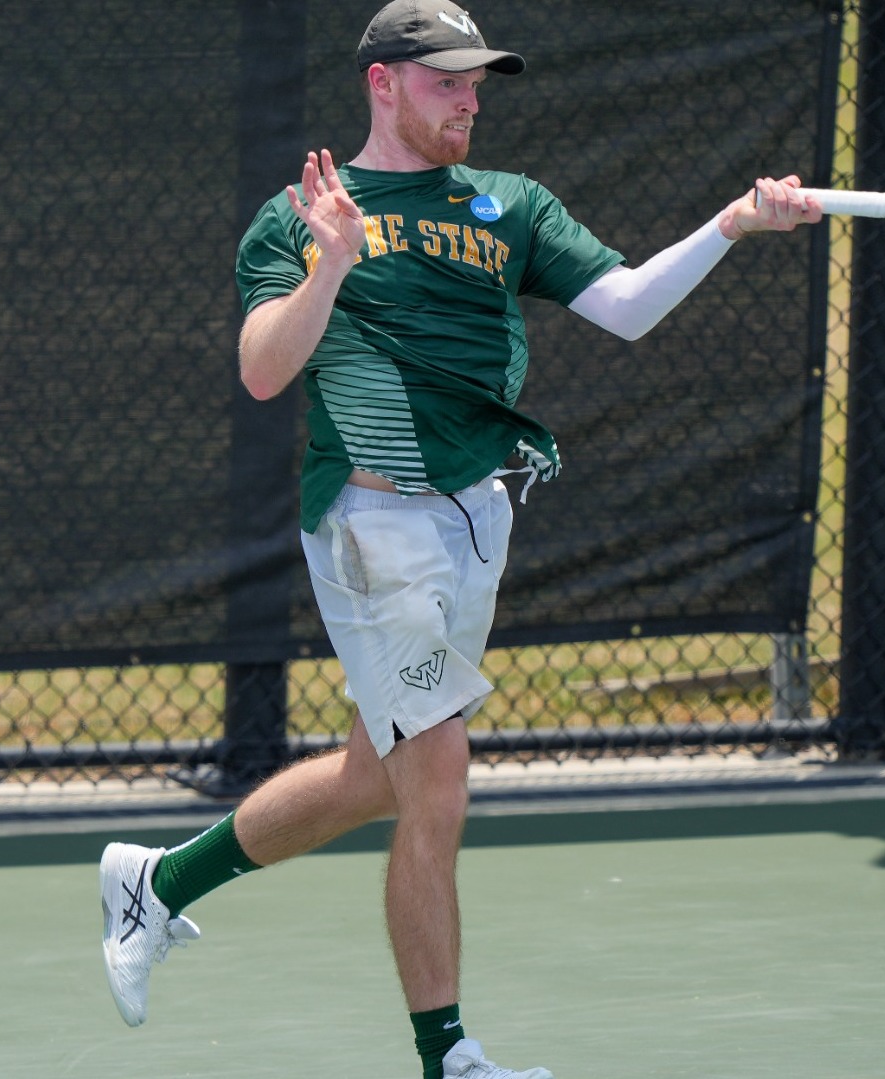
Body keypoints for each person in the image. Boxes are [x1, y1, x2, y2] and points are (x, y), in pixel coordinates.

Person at [99, 2, 820, 1076]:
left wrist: (729, 225)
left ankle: (153, 883)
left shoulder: (510, 205)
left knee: (369, 777)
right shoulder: (298, 216)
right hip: (369, 528)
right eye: (446, 82)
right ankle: (450, 1057)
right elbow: (261, 370)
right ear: (382, 84)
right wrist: (330, 264)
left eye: (478, 83)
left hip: (477, 522)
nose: (470, 101)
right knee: (437, 776)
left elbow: (623, 305)